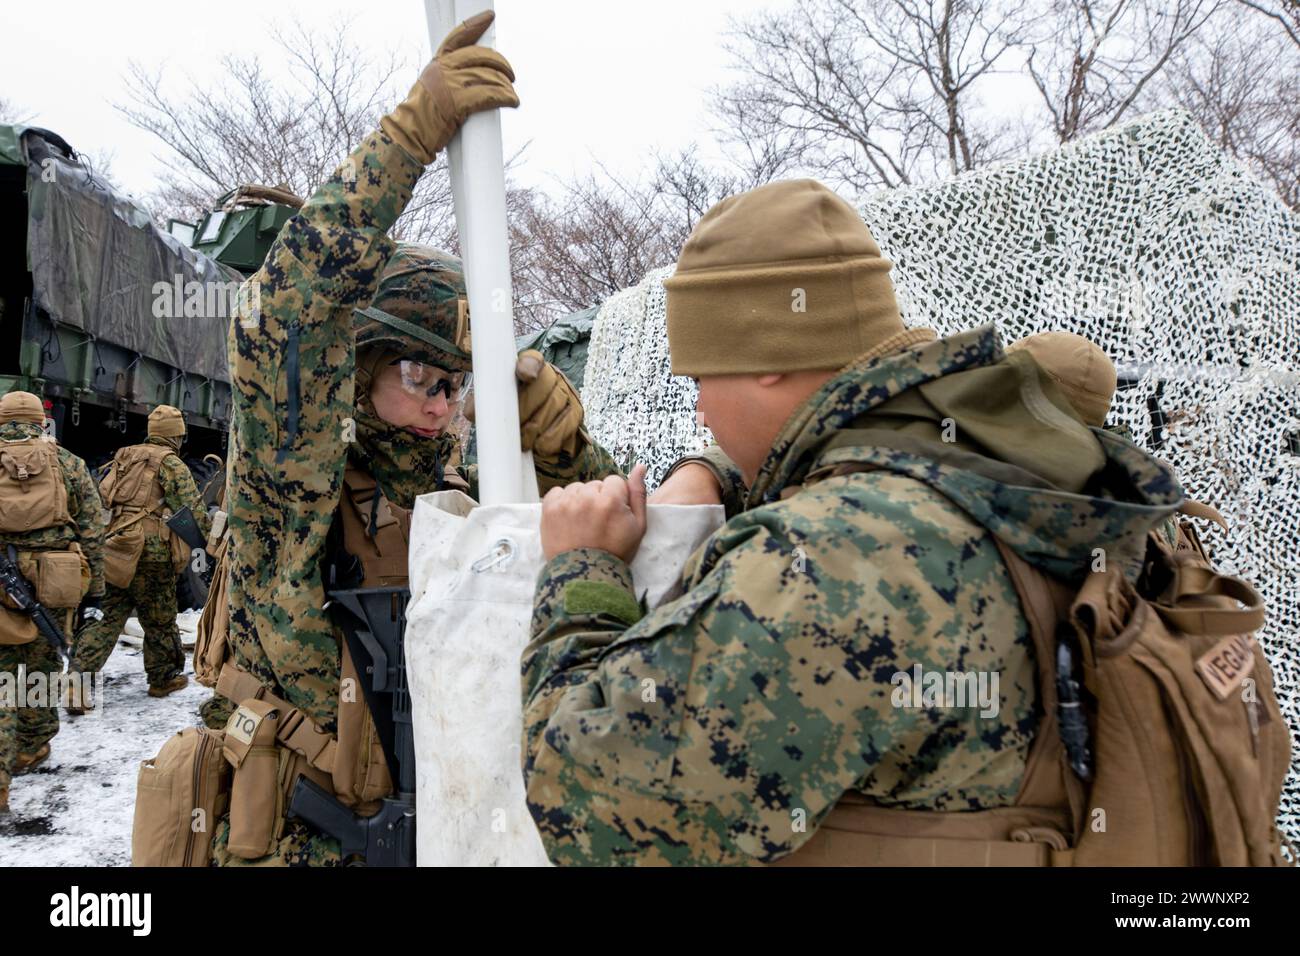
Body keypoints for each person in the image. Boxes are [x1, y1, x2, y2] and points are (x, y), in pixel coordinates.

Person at [522, 178, 1185, 865]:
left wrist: (582, 572)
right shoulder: (1014, 464)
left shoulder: (825, 559)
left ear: (767, 361)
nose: (701, 413)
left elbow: (587, 809)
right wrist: (712, 470)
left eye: (699, 380)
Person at [203, 11, 616, 866]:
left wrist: (565, 447)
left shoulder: (472, 493)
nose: (442, 408)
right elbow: (288, 315)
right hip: (314, 838)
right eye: (423, 380)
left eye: (456, 386)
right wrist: (408, 137)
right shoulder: (295, 493)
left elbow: (616, 552)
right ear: (358, 373)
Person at [0, 391, 105, 813]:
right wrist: (95, 590)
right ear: (39, 421)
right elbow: (94, 530)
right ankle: (32, 745)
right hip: (55, 582)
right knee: (43, 666)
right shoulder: (67, 462)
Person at [69, 405, 209, 709]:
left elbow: (102, 495)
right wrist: (209, 540)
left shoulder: (124, 455)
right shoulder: (172, 465)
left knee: (105, 618)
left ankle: (76, 683)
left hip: (118, 548)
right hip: (153, 555)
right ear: (177, 436)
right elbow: (193, 512)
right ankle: (164, 679)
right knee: (159, 619)